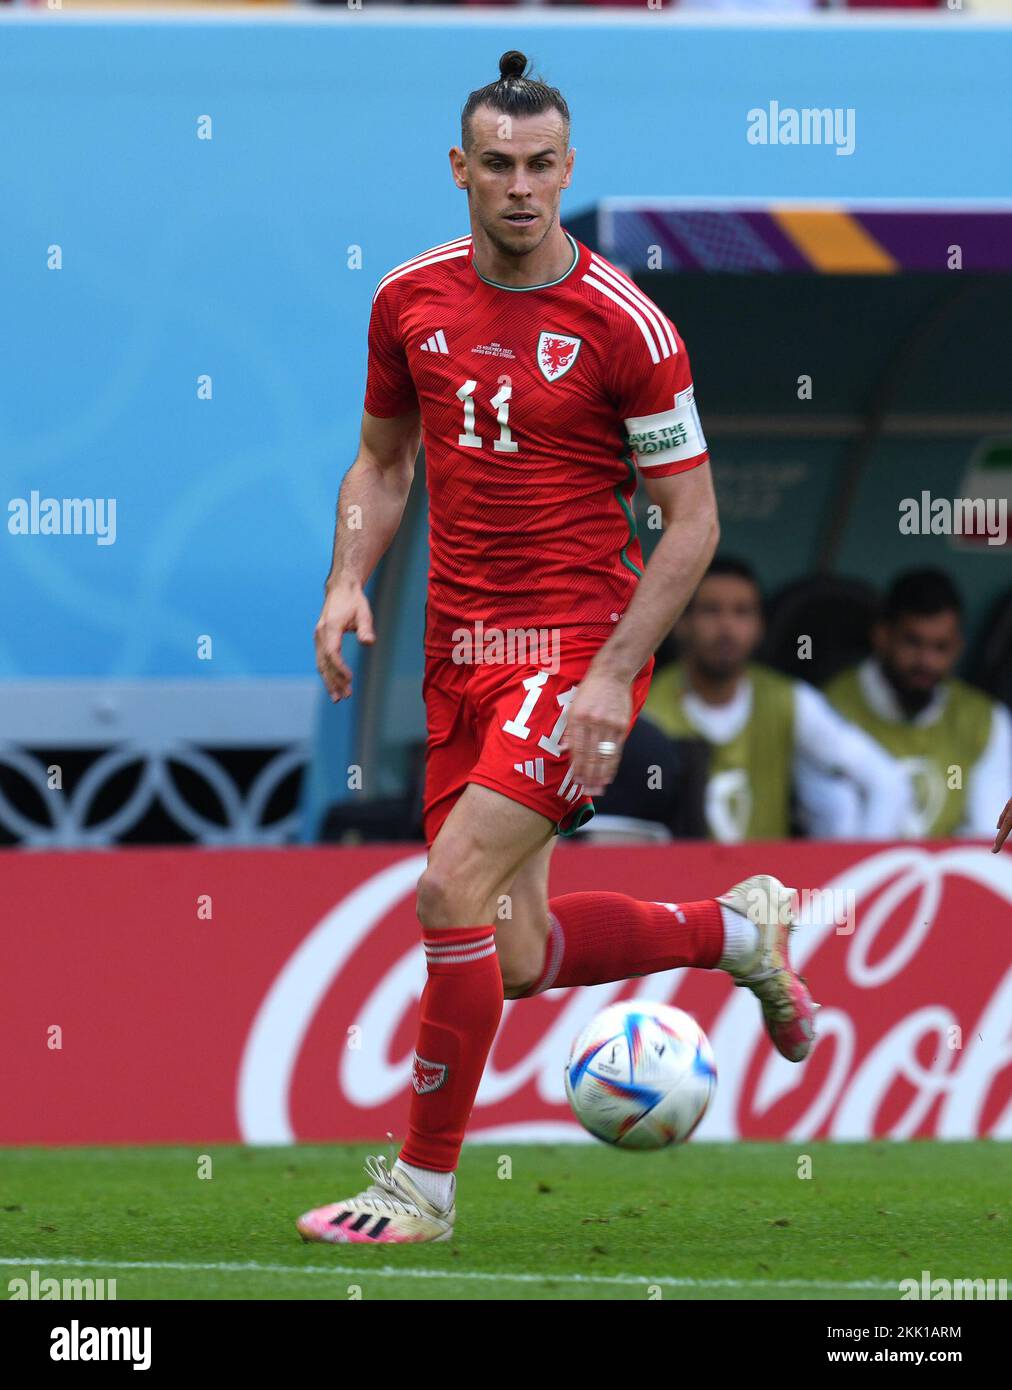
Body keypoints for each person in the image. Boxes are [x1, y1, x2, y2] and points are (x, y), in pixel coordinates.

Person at [300, 52, 816, 1247]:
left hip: (572, 647)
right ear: (460, 171)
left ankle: (420, 1187)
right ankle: (734, 931)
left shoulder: (625, 324)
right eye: (498, 166)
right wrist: (343, 580)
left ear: (568, 169)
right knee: (516, 952)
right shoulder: (409, 302)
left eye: (542, 167)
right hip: (457, 654)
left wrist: (604, 679)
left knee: (446, 890)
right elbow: (382, 464)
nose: (520, 188)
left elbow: (693, 525)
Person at [643, 558, 912, 841]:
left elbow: (887, 781)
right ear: (681, 623)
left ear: (760, 626)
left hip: (769, 883)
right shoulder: (648, 709)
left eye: (742, 612)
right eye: (711, 611)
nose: (727, 627)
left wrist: (860, 872)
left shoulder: (788, 700)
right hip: (676, 879)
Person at [823, 570, 1012, 838]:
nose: (926, 662)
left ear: (958, 646)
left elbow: (988, 837)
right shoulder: (831, 709)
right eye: (913, 642)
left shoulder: (985, 719)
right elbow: (837, 837)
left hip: (945, 875)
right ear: (882, 636)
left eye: (940, 647)